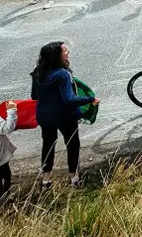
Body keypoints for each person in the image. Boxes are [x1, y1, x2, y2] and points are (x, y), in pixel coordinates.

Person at [30, 42, 98, 188]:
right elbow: (70, 100)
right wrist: (90, 99)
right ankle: (74, 179)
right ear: (57, 56)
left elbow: (34, 95)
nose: (68, 52)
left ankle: (46, 181)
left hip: (45, 117)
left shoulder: (37, 72)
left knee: (48, 145)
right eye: (65, 51)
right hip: (66, 117)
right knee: (72, 145)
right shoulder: (62, 74)